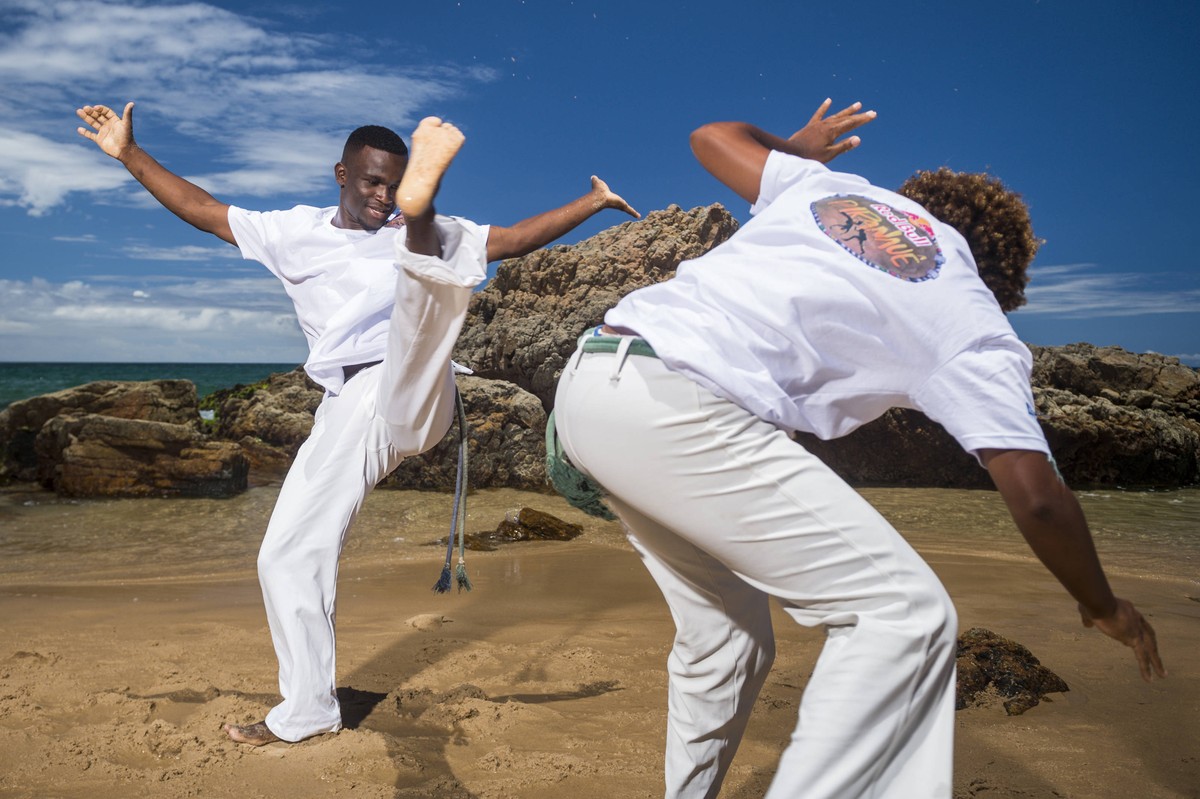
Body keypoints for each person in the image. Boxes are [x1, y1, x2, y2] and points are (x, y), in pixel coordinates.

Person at [551, 99, 1165, 798]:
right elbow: (1038, 495)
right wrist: (1103, 604)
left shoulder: (834, 191)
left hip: (595, 379)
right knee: (906, 615)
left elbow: (709, 136)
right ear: (1004, 278)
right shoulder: (973, 312)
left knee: (728, 639)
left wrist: (801, 145)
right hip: (681, 409)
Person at [75, 101, 639, 746]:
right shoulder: (294, 232)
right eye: (374, 182)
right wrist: (127, 154)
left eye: (397, 186)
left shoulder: (407, 226)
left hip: (413, 380)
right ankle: (309, 707)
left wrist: (590, 204)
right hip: (346, 406)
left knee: (422, 314)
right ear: (341, 173)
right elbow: (203, 210)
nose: (382, 196)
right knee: (284, 555)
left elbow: (510, 240)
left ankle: (431, 266)